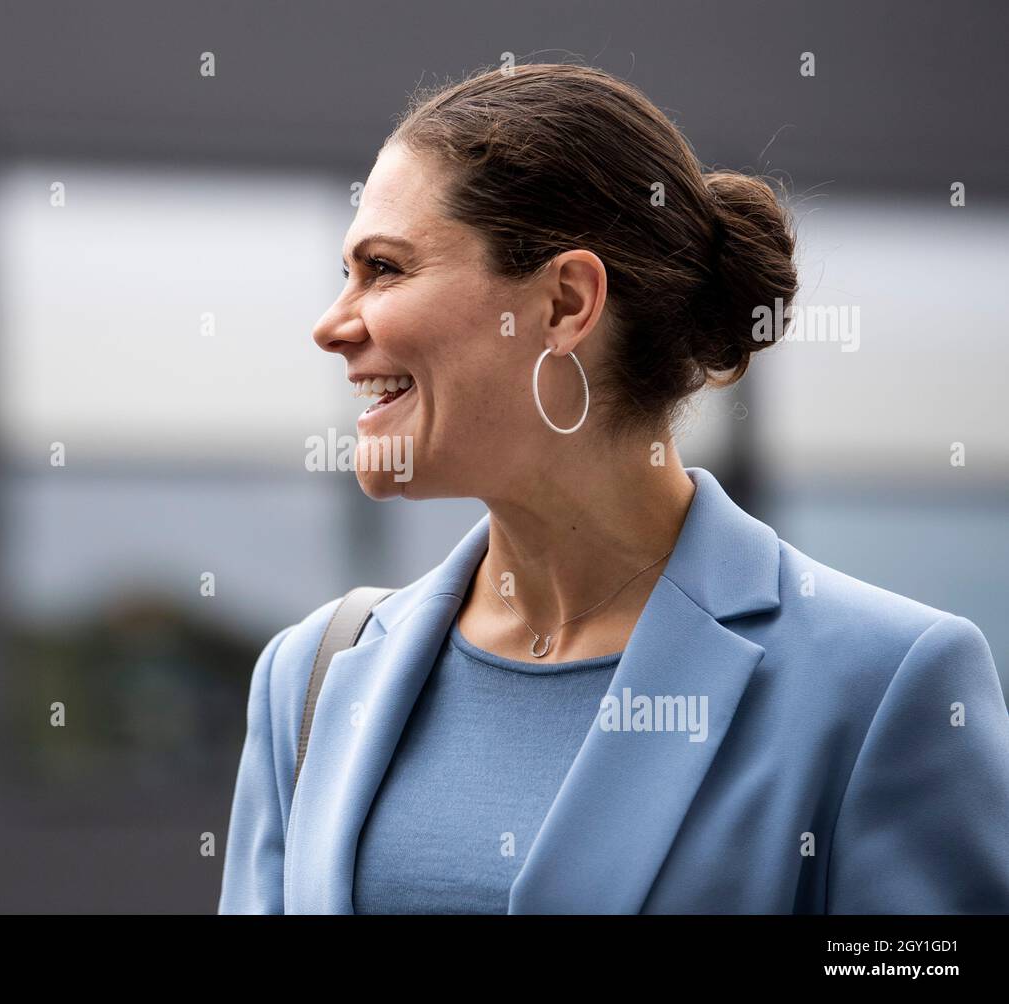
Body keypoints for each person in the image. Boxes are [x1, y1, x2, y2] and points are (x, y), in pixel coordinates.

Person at [217, 63, 1009, 914]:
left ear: (564, 303)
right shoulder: (311, 678)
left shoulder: (885, 684)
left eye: (383, 269)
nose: (332, 325)